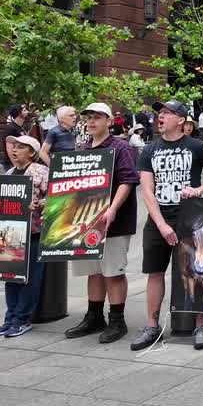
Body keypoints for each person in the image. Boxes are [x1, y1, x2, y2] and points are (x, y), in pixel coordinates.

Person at [134, 100, 203, 351]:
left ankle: (202, 324)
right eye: (159, 113)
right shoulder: (149, 150)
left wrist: (198, 189)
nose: (160, 116)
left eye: (166, 113)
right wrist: (162, 224)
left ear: (181, 120)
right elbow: (147, 191)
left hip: (191, 219)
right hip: (159, 220)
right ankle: (152, 326)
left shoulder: (197, 147)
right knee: (155, 272)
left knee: (198, 272)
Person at [62, 103, 140, 344]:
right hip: (86, 221)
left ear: (109, 121)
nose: (91, 122)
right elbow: (73, 185)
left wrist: (113, 209)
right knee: (93, 271)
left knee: (113, 271)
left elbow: (128, 181)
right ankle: (94, 316)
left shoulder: (121, 147)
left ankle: (117, 319)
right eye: (88, 118)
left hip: (113, 221)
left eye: (97, 117)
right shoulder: (82, 148)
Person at [0, 135, 49, 337]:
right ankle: (10, 317)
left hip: (33, 233)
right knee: (10, 276)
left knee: (30, 278)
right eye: (13, 147)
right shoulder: (9, 173)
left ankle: (22, 319)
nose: (14, 150)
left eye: (21, 147)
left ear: (32, 152)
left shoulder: (41, 172)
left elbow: (56, 199)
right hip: (11, 235)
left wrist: (41, 204)